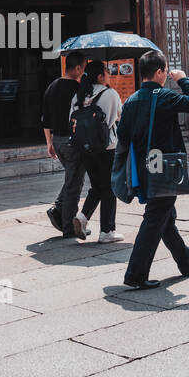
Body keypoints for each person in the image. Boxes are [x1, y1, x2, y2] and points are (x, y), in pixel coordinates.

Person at [117, 50, 189, 289]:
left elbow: (122, 135)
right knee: (156, 217)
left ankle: (186, 262)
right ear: (158, 72)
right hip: (164, 166)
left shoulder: (131, 100)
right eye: (166, 71)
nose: (167, 74)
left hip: (142, 166)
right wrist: (184, 79)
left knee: (165, 217)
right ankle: (135, 274)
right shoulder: (164, 96)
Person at [69, 60, 123, 244]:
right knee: (109, 188)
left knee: (97, 186)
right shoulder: (110, 94)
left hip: (85, 148)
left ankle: (83, 216)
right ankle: (107, 231)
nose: (109, 74)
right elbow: (117, 117)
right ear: (100, 76)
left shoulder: (78, 96)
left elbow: (72, 118)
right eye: (107, 71)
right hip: (106, 148)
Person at [42, 52, 87, 238]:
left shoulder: (52, 86)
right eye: (83, 67)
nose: (84, 71)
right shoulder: (77, 89)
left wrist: (49, 143)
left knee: (71, 178)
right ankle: (69, 227)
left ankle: (58, 208)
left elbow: (45, 118)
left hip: (58, 141)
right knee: (74, 184)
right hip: (72, 141)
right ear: (77, 68)